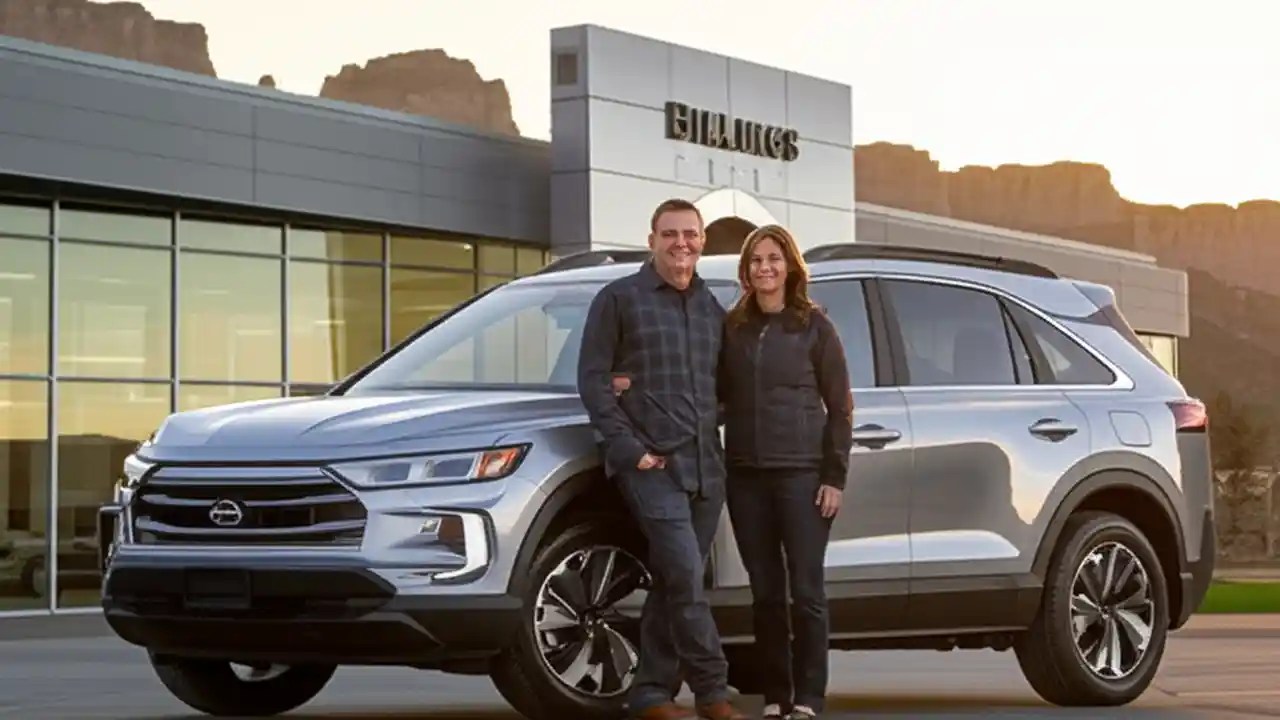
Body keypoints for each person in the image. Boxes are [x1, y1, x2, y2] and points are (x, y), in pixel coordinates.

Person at [577, 198, 746, 720]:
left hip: (705, 468)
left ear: (702, 241)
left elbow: (729, 383)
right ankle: (713, 691)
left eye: (690, 234)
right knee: (685, 577)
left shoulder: (711, 306)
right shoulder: (618, 299)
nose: (681, 243)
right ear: (652, 239)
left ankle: (651, 693)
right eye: (670, 233)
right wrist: (631, 448)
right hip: (653, 467)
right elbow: (592, 380)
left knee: (676, 580)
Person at [717, 224, 853, 720]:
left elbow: (840, 408)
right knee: (766, 593)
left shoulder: (816, 327)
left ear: (790, 265)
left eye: (773, 258)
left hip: (802, 476)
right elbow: (714, 396)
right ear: (746, 270)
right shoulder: (733, 327)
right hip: (745, 477)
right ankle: (776, 695)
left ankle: (810, 697)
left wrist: (833, 477)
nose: (764, 268)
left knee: (807, 592)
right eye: (755, 260)